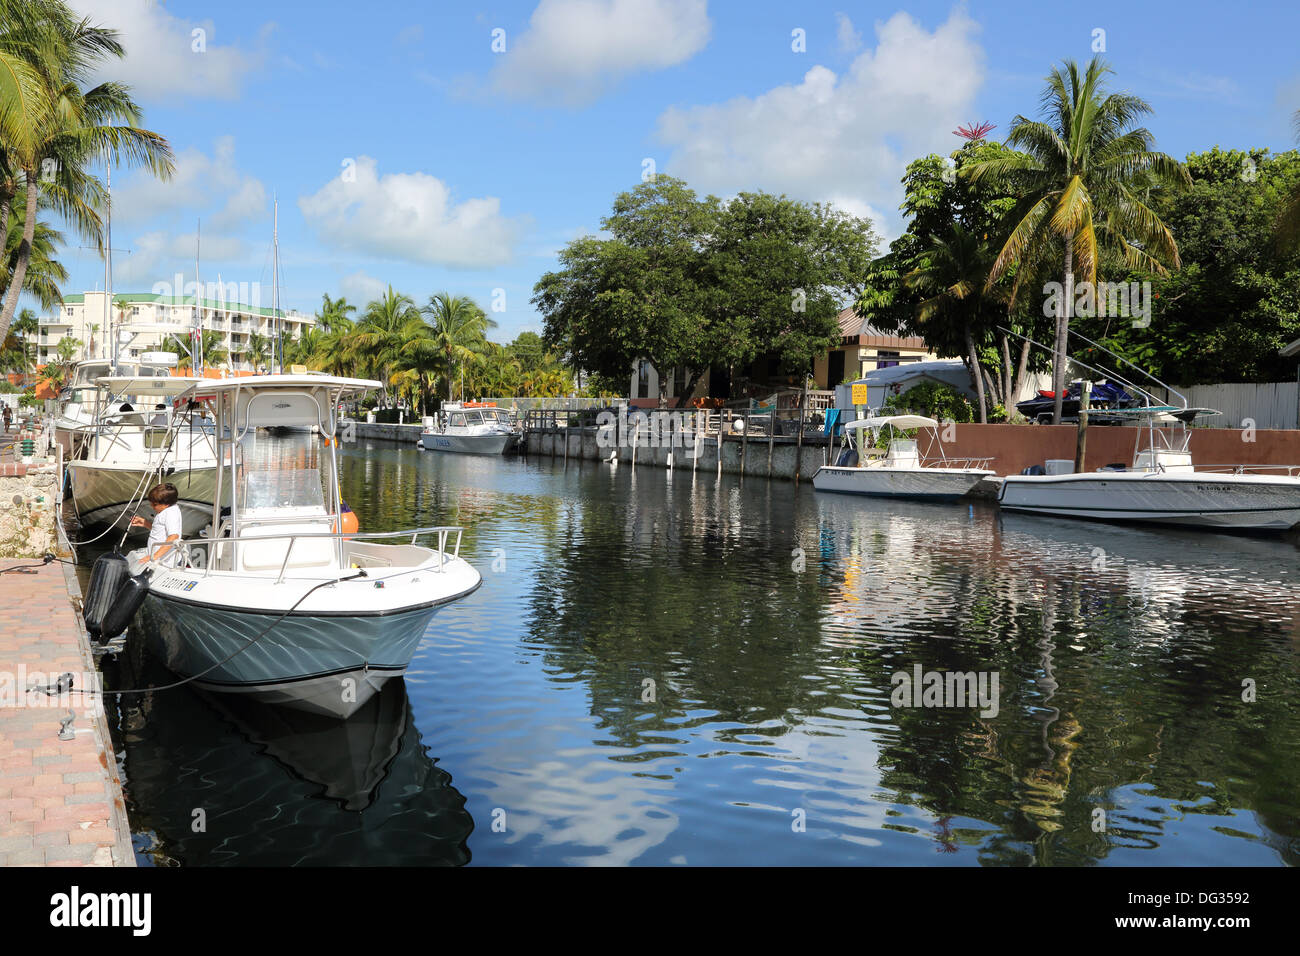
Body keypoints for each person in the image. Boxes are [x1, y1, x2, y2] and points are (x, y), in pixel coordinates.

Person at [129, 483, 182, 568]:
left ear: (166, 504)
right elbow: (161, 532)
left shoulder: (171, 513)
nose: (152, 506)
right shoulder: (165, 511)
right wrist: (145, 523)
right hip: (159, 559)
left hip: (166, 563)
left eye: (155, 504)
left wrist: (153, 557)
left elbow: (173, 537)